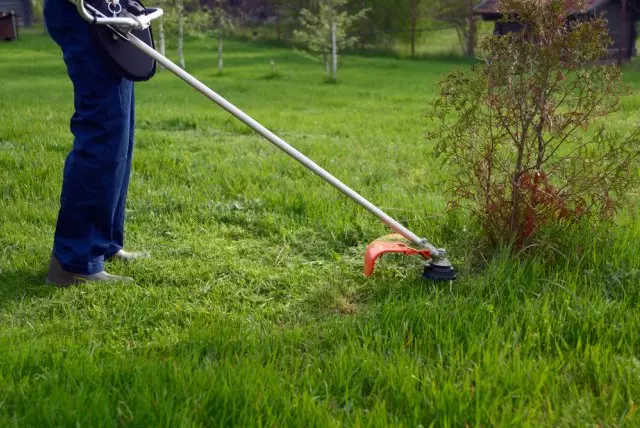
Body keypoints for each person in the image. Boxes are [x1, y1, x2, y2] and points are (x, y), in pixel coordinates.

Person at [44, 0, 149, 286]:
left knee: (119, 132)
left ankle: (104, 244)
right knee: (103, 129)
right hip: (83, 11)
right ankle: (75, 260)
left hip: (109, 11)